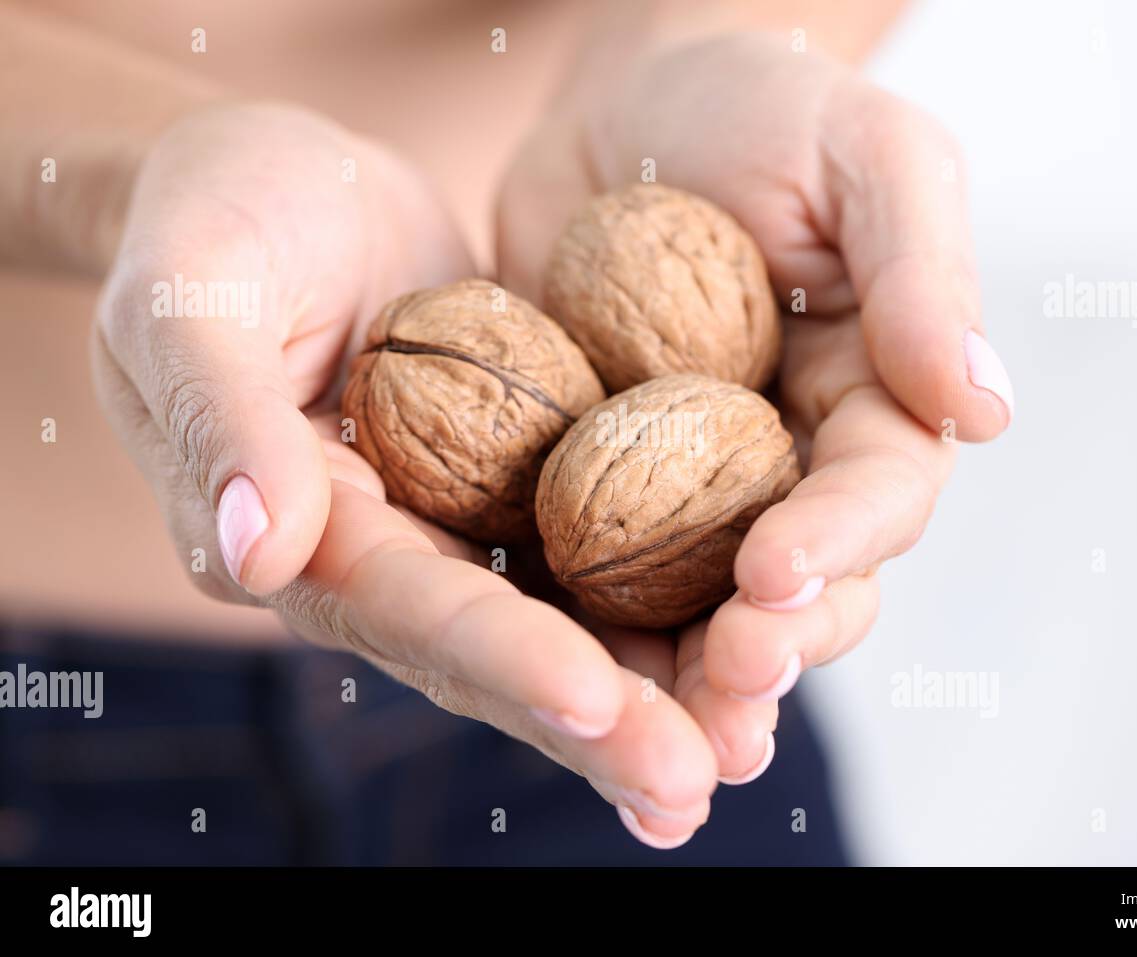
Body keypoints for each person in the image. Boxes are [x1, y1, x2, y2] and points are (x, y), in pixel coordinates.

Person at [0, 0, 1013, 862]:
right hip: (46, 730)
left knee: (680, 744)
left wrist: (689, 46)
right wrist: (149, 171)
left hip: (624, 705)